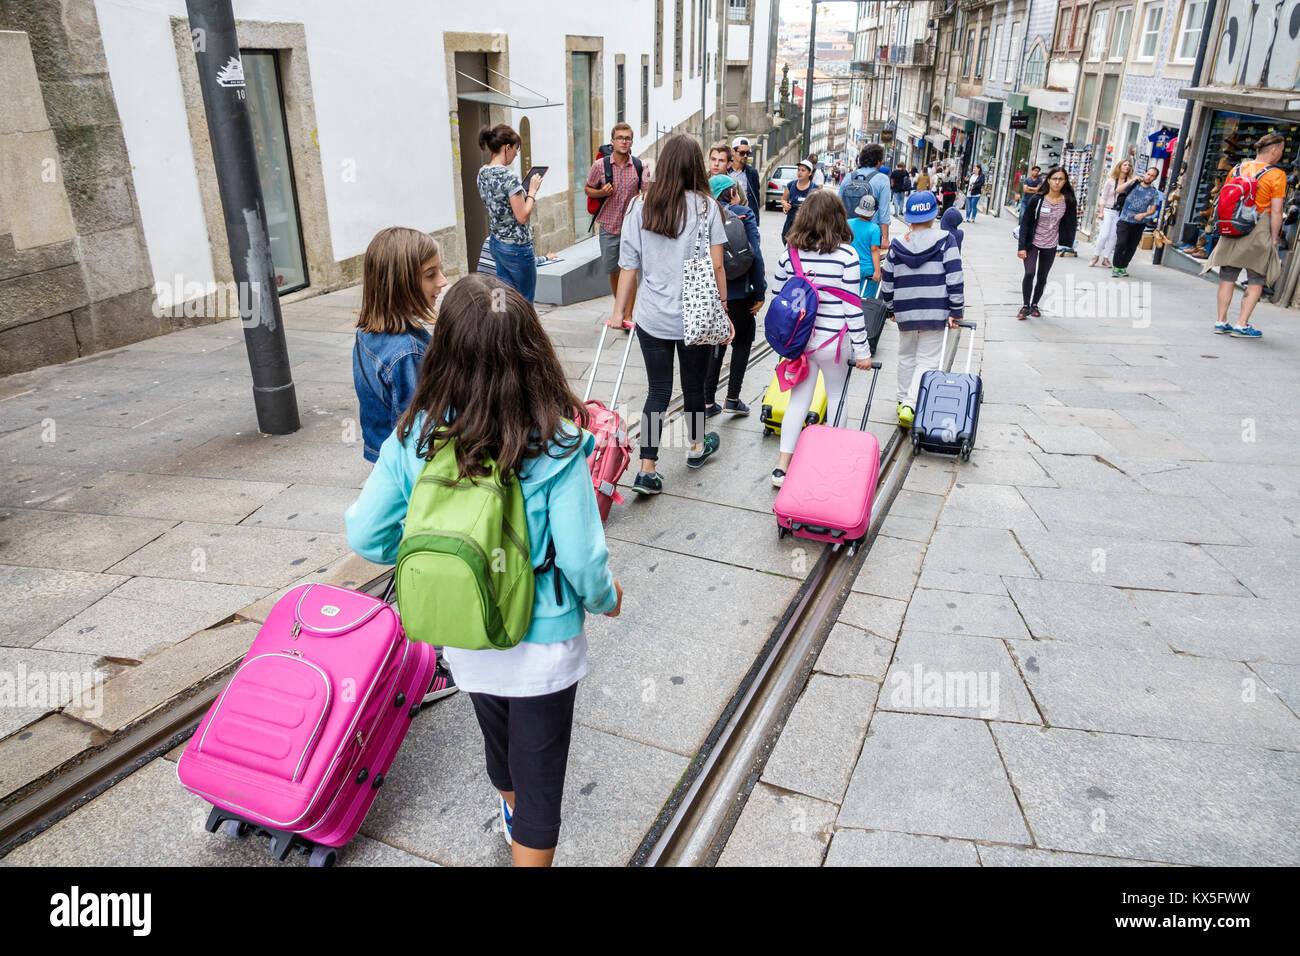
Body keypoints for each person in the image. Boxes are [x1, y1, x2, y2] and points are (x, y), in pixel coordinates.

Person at [344, 274, 622, 867]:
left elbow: (365, 532)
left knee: (499, 743)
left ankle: (511, 815)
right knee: (542, 773)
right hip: (543, 643)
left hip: (465, 633)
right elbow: (581, 558)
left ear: (443, 349)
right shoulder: (558, 442)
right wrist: (606, 596)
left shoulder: (415, 438)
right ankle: (526, 834)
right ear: (530, 350)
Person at [352, 227, 458, 706]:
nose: (442, 282)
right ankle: (432, 663)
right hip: (413, 479)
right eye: (431, 274)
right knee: (428, 561)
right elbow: (420, 435)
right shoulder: (409, 352)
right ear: (400, 283)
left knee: (413, 558)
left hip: (382, 468)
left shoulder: (371, 335)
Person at [611, 134, 733, 495]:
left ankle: (647, 468)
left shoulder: (639, 206)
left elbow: (628, 265)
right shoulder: (706, 207)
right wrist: (723, 309)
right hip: (693, 314)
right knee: (693, 385)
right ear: (697, 165)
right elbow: (717, 267)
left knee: (658, 390)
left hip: (652, 315)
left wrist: (619, 313)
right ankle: (696, 447)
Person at [769, 189, 873, 487]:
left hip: (800, 344)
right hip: (833, 344)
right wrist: (863, 350)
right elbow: (852, 307)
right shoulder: (847, 255)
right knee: (838, 395)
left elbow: (778, 301)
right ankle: (832, 460)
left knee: (798, 401)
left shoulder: (789, 253)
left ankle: (781, 467)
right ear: (838, 218)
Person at [880, 190, 964, 427]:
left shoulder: (897, 245)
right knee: (927, 359)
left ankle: (901, 398)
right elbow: (955, 277)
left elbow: (887, 280)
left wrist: (890, 308)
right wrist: (956, 311)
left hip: (905, 311)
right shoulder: (947, 240)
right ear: (933, 214)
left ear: (909, 217)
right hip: (934, 310)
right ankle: (910, 403)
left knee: (906, 355)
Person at [1204, 132, 1288, 338]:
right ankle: (1241, 324)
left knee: (1228, 275)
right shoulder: (1276, 175)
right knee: (1256, 278)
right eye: (1282, 151)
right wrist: (1275, 237)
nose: (1281, 154)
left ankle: (1221, 320)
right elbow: (1277, 211)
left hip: (1233, 225)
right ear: (1275, 150)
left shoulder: (1238, 168)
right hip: (1258, 228)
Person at [704, 174, 767, 418]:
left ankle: (708, 402)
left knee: (715, 344)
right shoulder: (743, 213)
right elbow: (756, 254)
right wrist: (760, 291)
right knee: (741, 342)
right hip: (740, 292)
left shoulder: (705, 213)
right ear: (731, 193)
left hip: (713, 292)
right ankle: (732, 398)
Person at [585, 123, 646, 329]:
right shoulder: (600, 166)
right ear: (612, 141)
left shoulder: (639, 166)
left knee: (630, 268)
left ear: (631, 141)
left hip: (631, 228)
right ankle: (619, 306)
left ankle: (628, 314)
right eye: (620, 138)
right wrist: (602, 192)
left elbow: (646, 194)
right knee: (613, 269)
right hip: (608, 226)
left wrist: (641, 197)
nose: (624, 141)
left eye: (627, 138)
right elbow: (588, 189)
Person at [477, 124, 544, 303]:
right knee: (524, 301)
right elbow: (522, 216)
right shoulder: (509, 177)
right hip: (517, 248)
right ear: (507, 147)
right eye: (516, 149)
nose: (516, 154)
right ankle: (524, 331)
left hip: (496, 243)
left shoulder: (482, 173)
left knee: (502, 298)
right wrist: (532, 191)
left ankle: (501, 329)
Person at [1017, 165, 1077, 318]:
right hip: (1033, 242)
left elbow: (1071, 221)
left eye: (1061, 179)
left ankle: (1035, 304)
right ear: (1048, 180)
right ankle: (1025, 306)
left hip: (1050, 244)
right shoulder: (1038, 199)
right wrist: (1021, 246)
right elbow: (1025, 223)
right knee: (1030, 273)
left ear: (1065, 182)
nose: (1057, 182)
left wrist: (1068, 240)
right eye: (1054, 179)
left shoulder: (1068, 201)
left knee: (1042, 277)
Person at [1110, 165, 1162, 278]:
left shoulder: (1154, 193)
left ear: (1155, 178)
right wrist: (1132, 180)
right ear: (1144, 173)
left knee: (1131, 246)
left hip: (1139, 223)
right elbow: (1118, 190)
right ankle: (1116, 266)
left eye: (1152, 176)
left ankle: (1123, 267)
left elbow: (1153, 210)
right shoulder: (1133, 185)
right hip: (1124, 219)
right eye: (1148, 174)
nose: (1149, 177)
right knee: (1121, 243)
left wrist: (1143, 214)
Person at [1092, 159, 1134, 268]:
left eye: (1129, 165)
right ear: (1119, 166)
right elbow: (1104, 197)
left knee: (1113, 236)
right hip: (1107, 210)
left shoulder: (1130, 181)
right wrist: (1101, 212)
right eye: (1125, 165)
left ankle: (1106, 258)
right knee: (1104, 234)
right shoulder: (1110, 181)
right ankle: (1096, 256)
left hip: (1119, 212)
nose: (1127, 167)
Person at [849, 192, 883, 300]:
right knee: (866, 301)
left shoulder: (848, 223)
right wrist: (878, 271)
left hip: (851, 267)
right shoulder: (875, 229)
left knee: (850, 297)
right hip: (868, 269)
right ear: (874, 211)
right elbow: (874, 250)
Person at [859, 143, 893, 244]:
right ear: (878, 162)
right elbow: (883, 211)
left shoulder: (849, 177)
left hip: (849, 232)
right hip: (872, 233)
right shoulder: (883, 179)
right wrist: (885, 238)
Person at [781, 158, 820, 244]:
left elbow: (818, 208)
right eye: (798, 170)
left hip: (807, 226)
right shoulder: (791, 185)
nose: (800, 172)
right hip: (791, 225)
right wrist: (785, 205)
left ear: (809, 173)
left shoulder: (814, 189)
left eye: (803, 170)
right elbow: (783, 199)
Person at [730, 137, 763, 223]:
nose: (745, 156)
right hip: (729, 216)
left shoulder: (752, 173)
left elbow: (756, 197)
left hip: (746, 217)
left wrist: (755, 219)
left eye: (748, 153)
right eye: (742, 153)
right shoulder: (726, 172)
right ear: (733, 152)